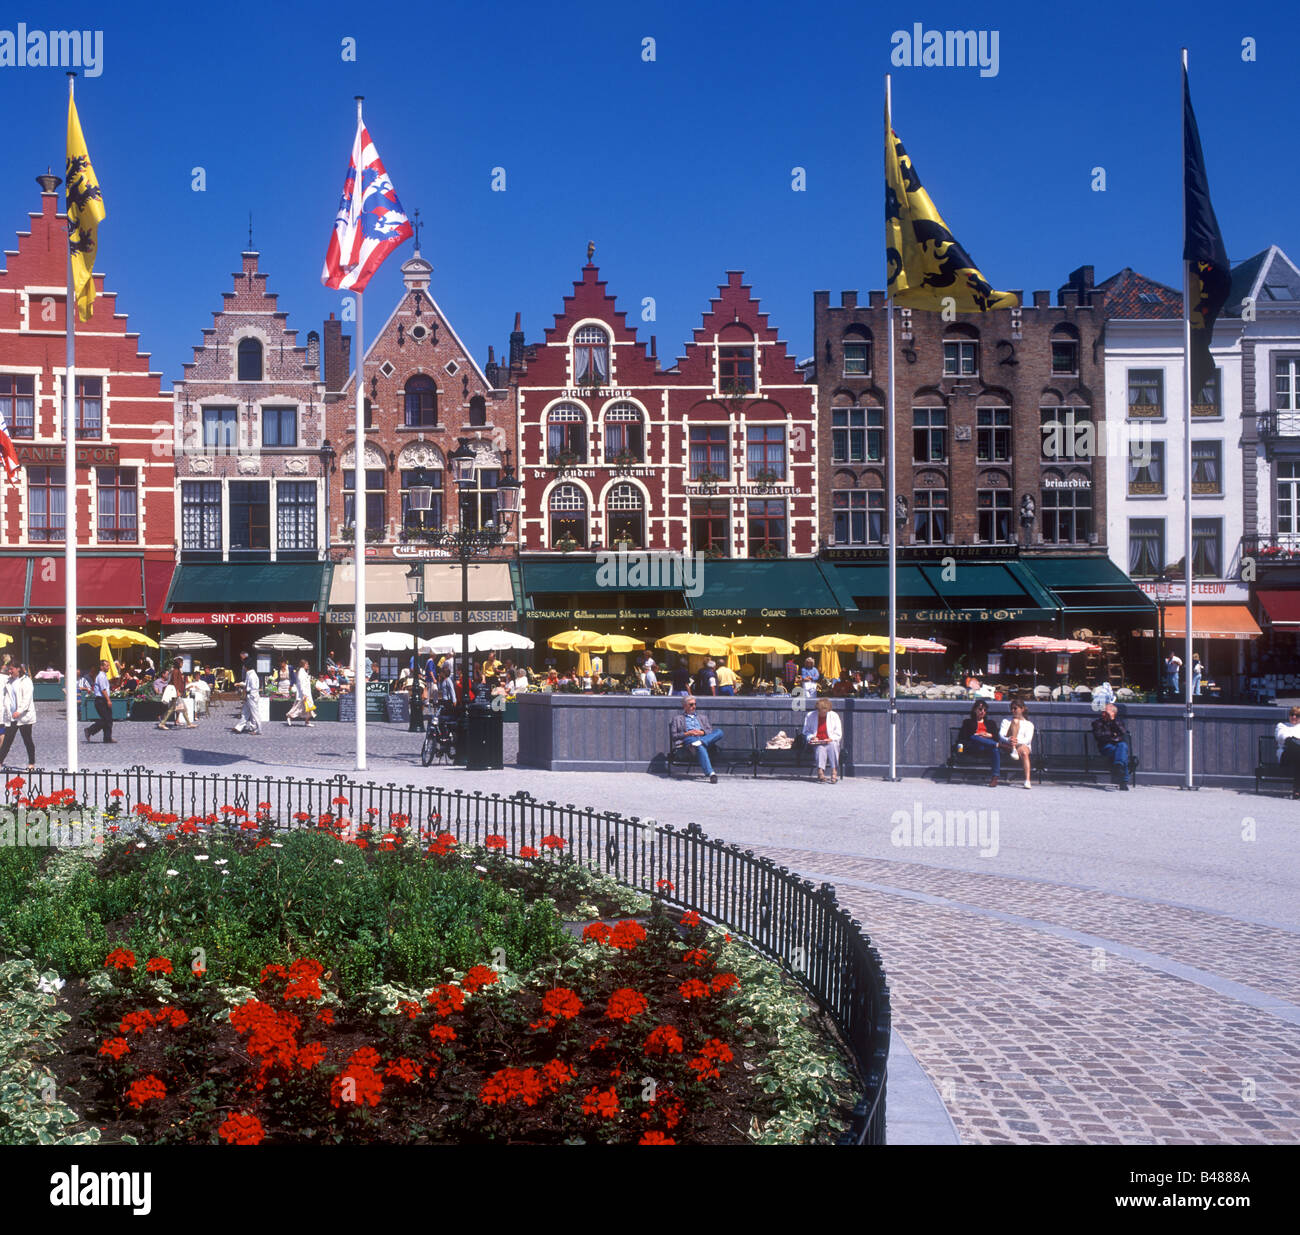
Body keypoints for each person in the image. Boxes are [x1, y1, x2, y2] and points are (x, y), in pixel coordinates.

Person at [669, 695, 724, 784]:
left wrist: (702, 733)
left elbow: (709, 731)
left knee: (719, 732)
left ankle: (700, 742)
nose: (694, 706)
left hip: (702, 738)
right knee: (699, 746)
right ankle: (711, 774)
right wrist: (688, 733)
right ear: (684, 706)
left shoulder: (702, 717)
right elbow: (674, 736)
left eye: (695, 704)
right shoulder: (677, 719)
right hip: (689, 739)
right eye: (691, 704)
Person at [0, 662, 37, 769]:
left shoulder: (26, 681)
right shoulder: (8, 681)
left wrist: (19, 711)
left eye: (11, 669)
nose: (9, 671)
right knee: (7, 740)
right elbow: (7, 697)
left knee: (27, 740)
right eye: (9, 669)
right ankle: (0, 761)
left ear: (18, 669)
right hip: (12, 717)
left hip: (24, 717)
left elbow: (27, 698)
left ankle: (31, 763)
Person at [956, 699, 1001, 786]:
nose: (982, 712)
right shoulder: (968, 722)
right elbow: (963, 737)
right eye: (980, 709)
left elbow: (996, 737)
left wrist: (988, 735)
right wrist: (978, 735)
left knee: (995, 749)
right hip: (974, 746)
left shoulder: (991, 723)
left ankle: (995, 778)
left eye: (985, 710)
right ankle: (1000, 745)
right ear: (975, 710)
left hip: (987, 746)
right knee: (974, 737)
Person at [1092, 702, 1133, 790]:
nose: (1103, 714)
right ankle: (1123, 781)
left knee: (1122, 746)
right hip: (1106, 747)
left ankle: (1118, 765)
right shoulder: (1097, 723)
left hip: (1117, 747)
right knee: (1122, 752)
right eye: (1102, 712)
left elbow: (1123, 733)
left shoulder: (1118, 722)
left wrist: (1113, 720)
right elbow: (1099, 736)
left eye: (1106, 712)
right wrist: (1113, 735)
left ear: (1113, 713)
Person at [802, 697, 842, 784]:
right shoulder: (810, 715)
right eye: (820, 711)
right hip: (817, 741)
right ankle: (820, 772)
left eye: (825, 711)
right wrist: (812, 737)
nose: (823, 713)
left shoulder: (834, 716)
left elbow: (838, 732)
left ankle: (834, 771)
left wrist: (831, 738)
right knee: (820, 748)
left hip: (830, 740)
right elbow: (806, 731)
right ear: (817, 709)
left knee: (833, 745)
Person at [999, 698, 1035, 790]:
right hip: (1007, 744)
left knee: (1024, 753)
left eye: (1015, 708)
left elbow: (1027, 739)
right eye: (1011, 708)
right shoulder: (1006, 721)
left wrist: (1016, 742)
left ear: (1022, 709)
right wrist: (1009, 740)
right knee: (1015, 721)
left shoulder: (1029, 724)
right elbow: (1001, 735)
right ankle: (1013, 749)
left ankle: (1027, 780)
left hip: (1021, 745)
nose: (1013, 711)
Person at [84, 659, 116, 744]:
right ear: (101, 667)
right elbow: (103, 690)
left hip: (103, 699)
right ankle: (89, 730)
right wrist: (108, 700)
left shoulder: (104, 676)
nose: (108, 667)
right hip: (101, 700)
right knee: (105, 719)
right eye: (106, 666)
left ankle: (107, 738)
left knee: (109, 719)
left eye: (108, 665)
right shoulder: (101, 676)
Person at [233, 651, 262, 735]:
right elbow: (247, 684)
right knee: (245, 712)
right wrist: (239, 684)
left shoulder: (251, 675)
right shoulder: (251, 674)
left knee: (254, 713)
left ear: (246, 666)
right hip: (249, 696)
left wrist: (241, 686)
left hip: (252, 696)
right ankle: (239, 727)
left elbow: (251, 687)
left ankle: (258, 729)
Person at [158, 658, 191, 729]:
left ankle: (189, 723)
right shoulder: (176, 671)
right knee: (173, 708)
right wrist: (178, 691)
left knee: (182, 707)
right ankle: (162, 723)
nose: (182, 664)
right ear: (178, 663)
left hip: (174, 690)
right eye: (181, 663)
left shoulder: (176, 670)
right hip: (174, 691)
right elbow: (175, 682)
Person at [1275, 706, 1300, 799]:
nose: (1294, 717)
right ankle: (1297, 790)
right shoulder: (1282, 725)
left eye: (1297, 715)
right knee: (1295, 748)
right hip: (1286, 755)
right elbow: (1282, 737)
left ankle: (1297, 790)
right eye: (1292, 714)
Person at [286, 659, 315, 727]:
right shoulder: (301, 672)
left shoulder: (303, 672)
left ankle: (307, 721)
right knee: (299, 708)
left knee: (309, 707)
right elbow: (301, 684)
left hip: (306, 692)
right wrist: (304, 694)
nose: (308, 665)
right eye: (307, 664)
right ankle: (289, 717)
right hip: (304, 693)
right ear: (303, 665)